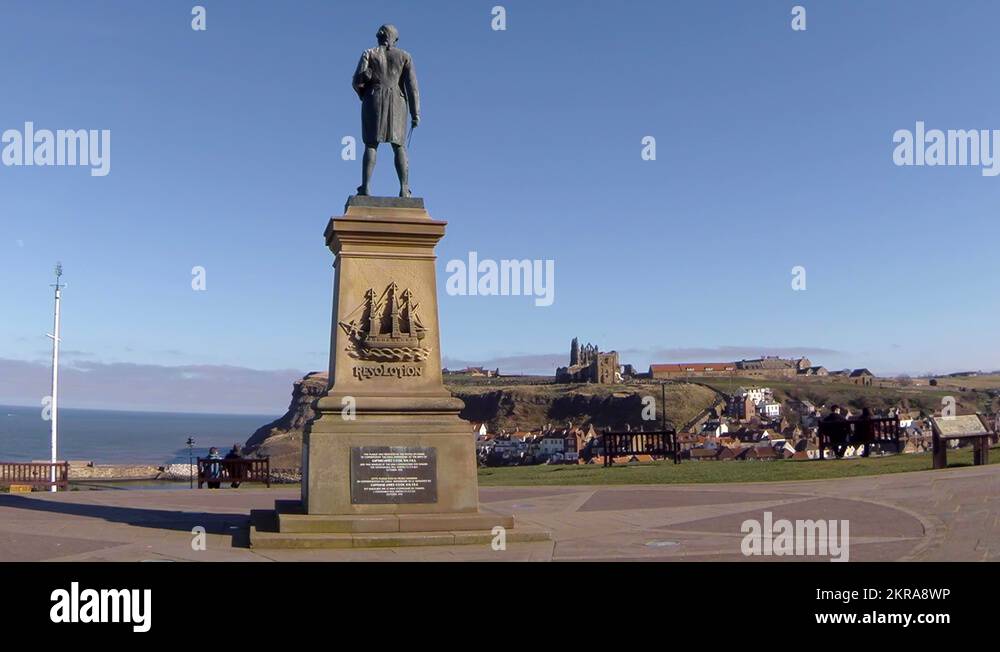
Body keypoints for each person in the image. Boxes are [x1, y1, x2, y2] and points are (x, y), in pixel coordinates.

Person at [352, 24, 420, 197]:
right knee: (399, 145)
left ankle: (366, 187)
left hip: (373, 98)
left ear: (379, 36)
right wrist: (415, 112)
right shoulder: (405, 56)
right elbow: (412, 87)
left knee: (371, 144)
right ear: (394, 39)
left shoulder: (369, 53)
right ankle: (404, 188)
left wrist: (363, 90)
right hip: (397, 101)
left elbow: (356, 81)